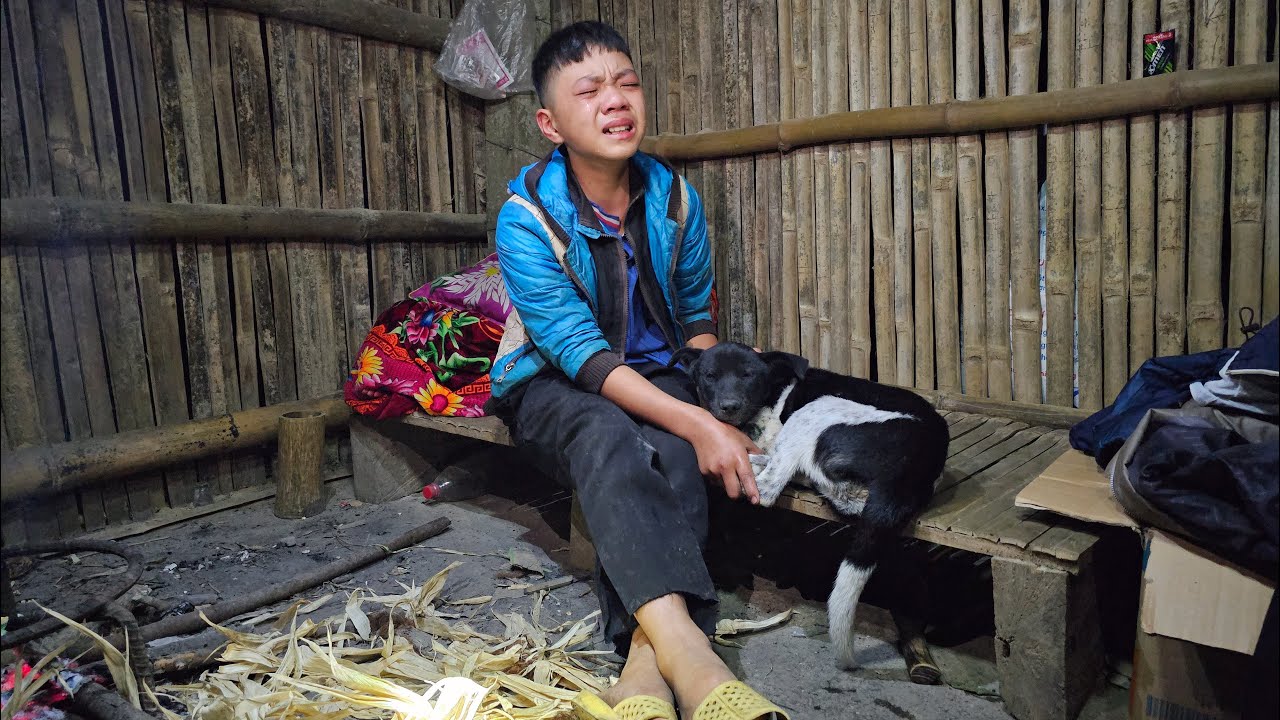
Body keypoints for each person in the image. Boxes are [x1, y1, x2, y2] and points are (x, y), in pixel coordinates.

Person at [486, 20, 791, 720]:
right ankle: (693, 656)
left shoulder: (675, 200)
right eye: (588, 90)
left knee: (679, 454)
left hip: (658, 376)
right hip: (551, 384)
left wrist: (712, 405)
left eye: (626, 83)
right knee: (612, 436)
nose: (615, 100)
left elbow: (696, 320)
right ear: (549, 122)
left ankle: (643, 669)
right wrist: (692, 420)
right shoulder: (527, 217)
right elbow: (582, 358)